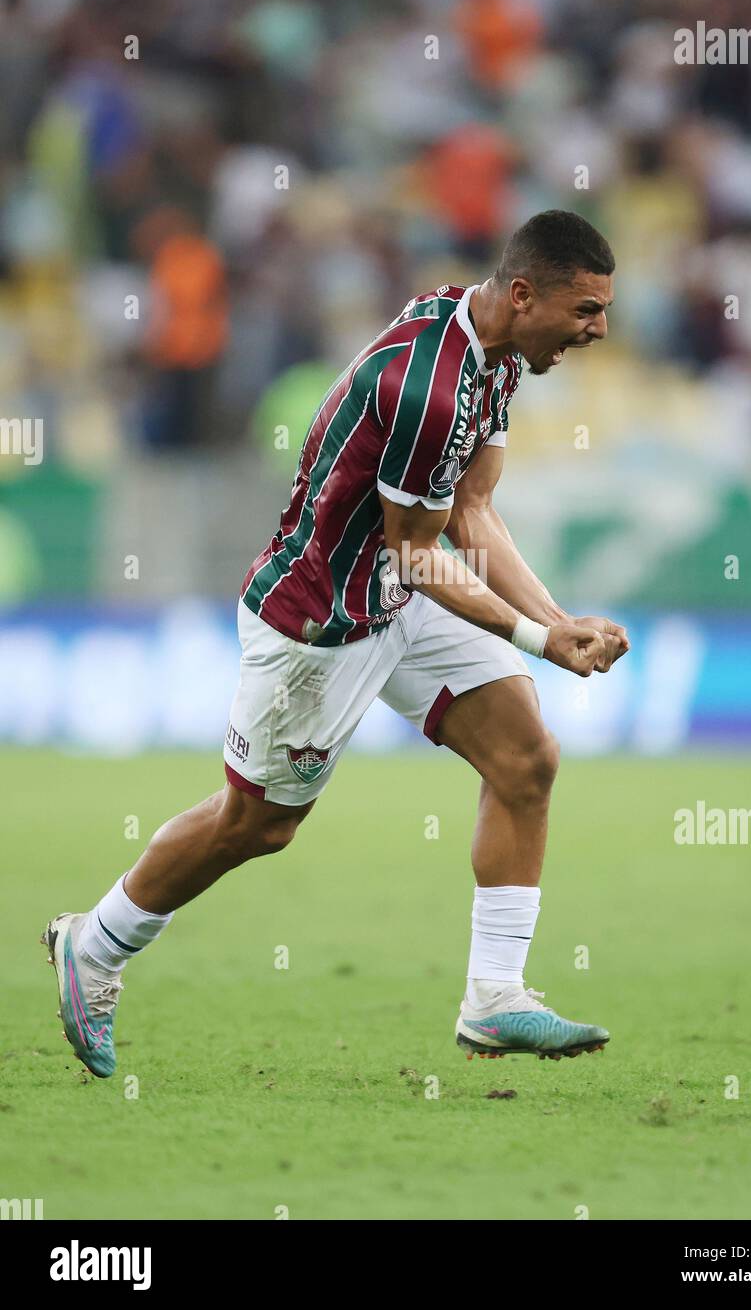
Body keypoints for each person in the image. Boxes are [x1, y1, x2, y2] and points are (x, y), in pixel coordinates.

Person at [43, 210, 628, 1075]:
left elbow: (472, 512)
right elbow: (420, 553)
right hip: (322, 620)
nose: (599, 330)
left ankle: (495, 998)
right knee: (258, 825)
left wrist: (558, 619)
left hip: (398, 594)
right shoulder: (430, 387)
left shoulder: (496, 356)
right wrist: (541, 637)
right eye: (585, 310)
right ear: (522, 292)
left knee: (525, 759)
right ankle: (95, 943)